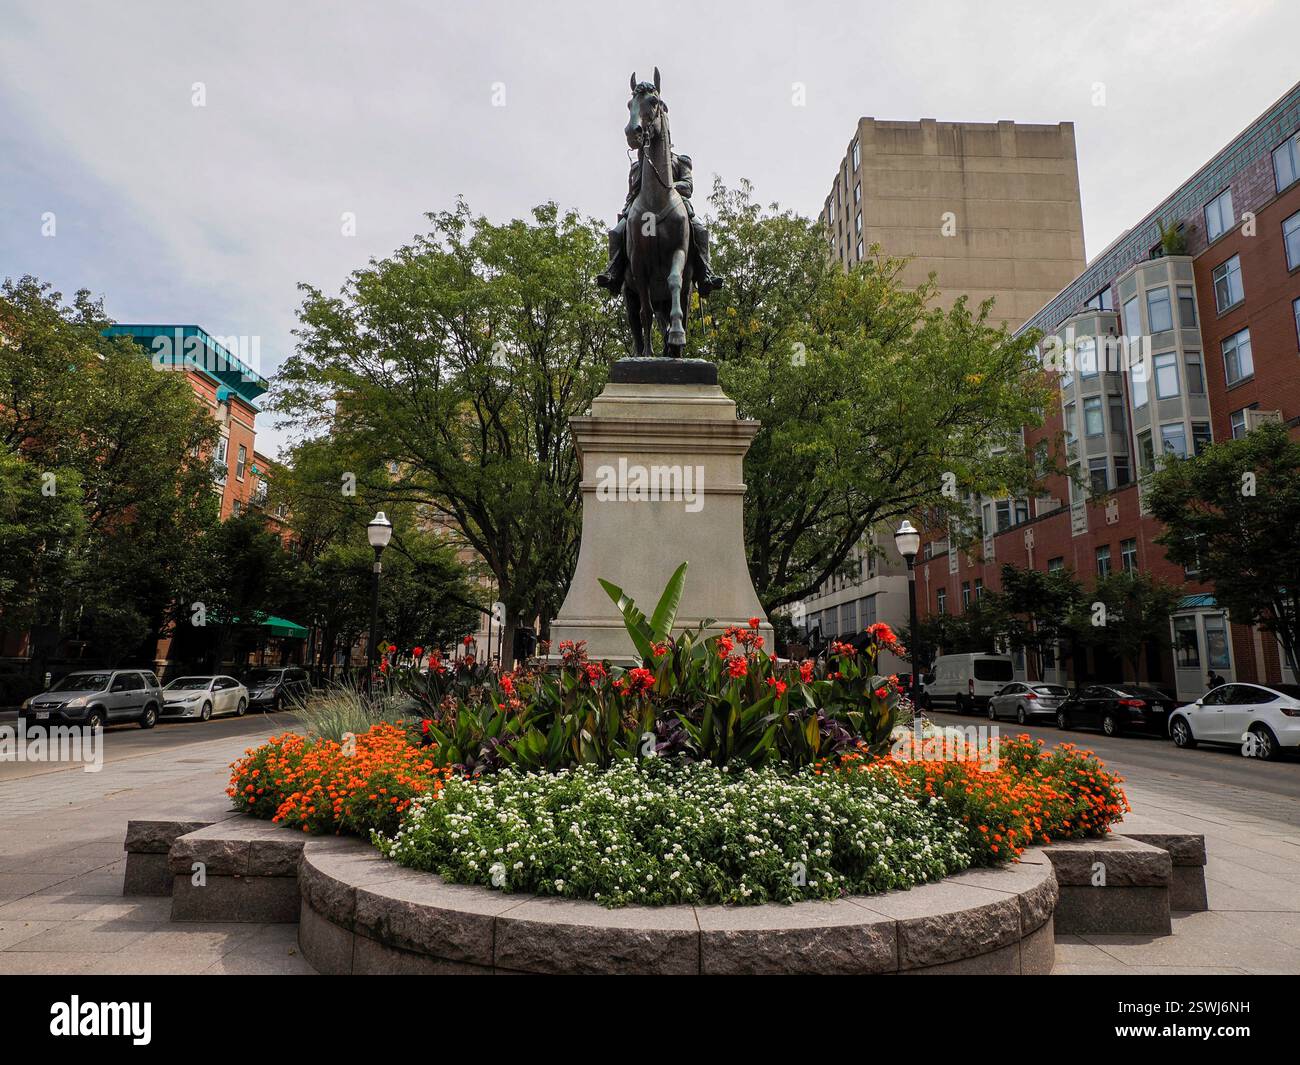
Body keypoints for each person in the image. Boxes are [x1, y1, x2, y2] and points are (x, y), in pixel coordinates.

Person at [596, 151, 723, 297]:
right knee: (616, 232)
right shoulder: (640, 163)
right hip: (643, 210)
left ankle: (705, 274)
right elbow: (633, 192)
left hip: (677, 206)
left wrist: (667, 186)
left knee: (700, 230)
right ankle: (614, 274)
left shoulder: (680, 160)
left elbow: (688, 186)